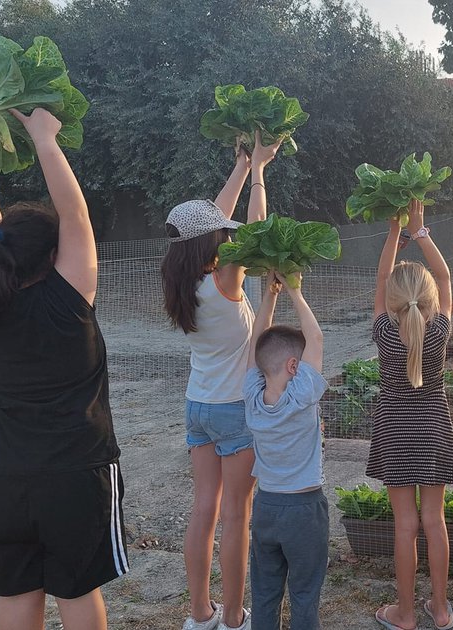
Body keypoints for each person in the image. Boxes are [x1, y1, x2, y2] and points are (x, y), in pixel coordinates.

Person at [0, 108, 123, 630]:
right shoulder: (70, 300)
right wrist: (44, 139)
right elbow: (78, 218)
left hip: (6, 473)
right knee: (77, 591)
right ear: (51, 256)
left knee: (18, 591)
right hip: (77, 471)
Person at [162, 133, 284, 630]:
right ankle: (234, 618)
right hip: (235, 411)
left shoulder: (183, 281)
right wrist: (259, 172)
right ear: (211, 243)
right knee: (237, 517)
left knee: (203, 510)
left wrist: (241, 164)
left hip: (199, 406)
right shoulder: (225, 278)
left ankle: (200, 614)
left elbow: (210, 219)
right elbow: (257, 230)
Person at [368, 199, 453, 630]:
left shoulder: (383, 331)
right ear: (429, 302)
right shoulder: (440, 329)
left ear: (392, 301)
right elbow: (444, 276)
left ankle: (404, 615)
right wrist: (421, 230)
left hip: (395, 433)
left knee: (404, 525)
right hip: (434, 430)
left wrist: (395, 233)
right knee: (434, 520)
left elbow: (381, 277)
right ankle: (440, 611)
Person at [242, 270, 329, 630]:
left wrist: (269, 297)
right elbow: (317, 338)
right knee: (304, 596)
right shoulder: (301, 396)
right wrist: (293, 289)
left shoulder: (251, 397)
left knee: (264, 593)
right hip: (304, 511)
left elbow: (254, 347)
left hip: (266, 507)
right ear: (294, 366)